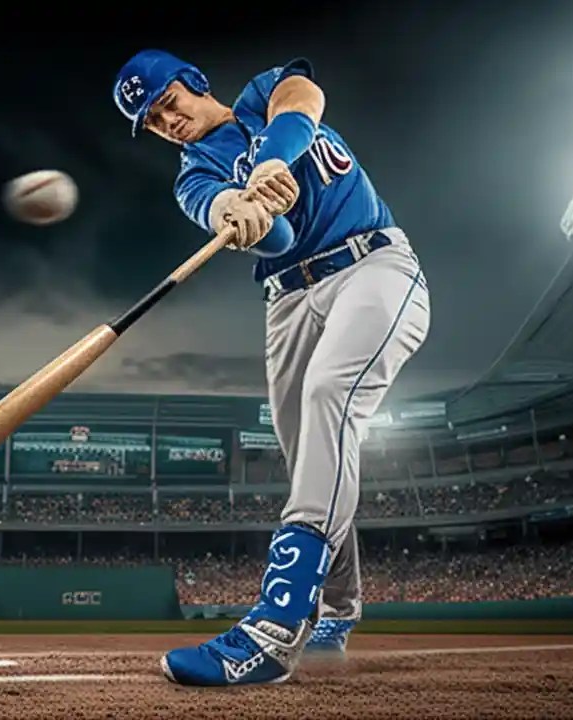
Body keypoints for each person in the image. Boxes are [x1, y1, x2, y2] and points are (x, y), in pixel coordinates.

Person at [113, 50, 430, 685]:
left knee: (329, 398)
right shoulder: (192, 178)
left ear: (195, 81)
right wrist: (247, 212)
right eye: (151, 120)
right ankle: (337, 612)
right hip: (286, 301)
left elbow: (302, 102)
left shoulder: (261, 94)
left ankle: (274, 626)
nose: (166, 120)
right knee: (312, 453)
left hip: (371, 266)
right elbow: (273, 237)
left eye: (169, 101)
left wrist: (273, 163)